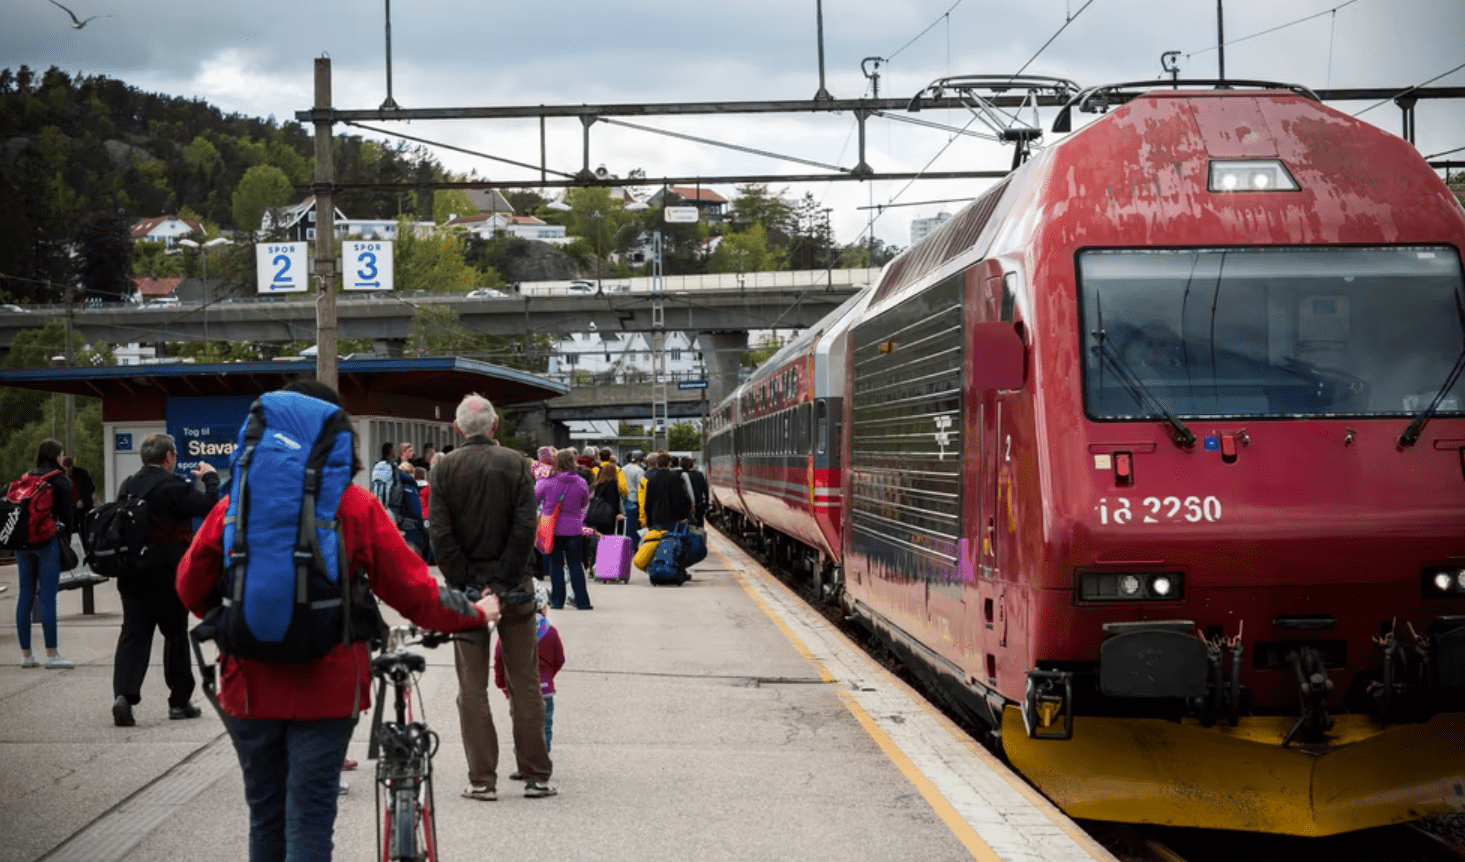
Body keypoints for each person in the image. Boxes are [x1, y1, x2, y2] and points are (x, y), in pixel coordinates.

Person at [176, 380, 494, 860]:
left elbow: (189, 588)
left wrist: (251, 614)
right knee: (309, 818)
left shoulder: (234, 505)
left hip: (248, 682)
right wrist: (473, 613)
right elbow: (411, 592)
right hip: (328, 685)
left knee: (265, 818)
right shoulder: (356, 505)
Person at [430, 393, 557, 801]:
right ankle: (536, 773)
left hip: (467, 597)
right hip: (515, 591)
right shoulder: (516, 464)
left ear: (457, 429)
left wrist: (471, 584)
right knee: (525, 683)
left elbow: (441, 534)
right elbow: (525, 528)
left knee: (472, 688)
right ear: (494, 426)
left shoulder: (444, 469)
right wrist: (501, 584)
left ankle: (482, 780)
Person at [110, 434, 220, 726]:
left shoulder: (129, 485)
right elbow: (209, 507)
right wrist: (210, 478)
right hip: (168, 575)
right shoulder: (173, 487)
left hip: (132, 574)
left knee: (134, 635)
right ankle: (179, 703)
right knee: (175, 635)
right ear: (169, 456)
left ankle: (124, 696)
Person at [15, 439, 74, 669]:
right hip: (46, 543)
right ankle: (52, 654)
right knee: (48, 598)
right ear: (57, 456)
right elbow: (67, 517)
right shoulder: (59, 480)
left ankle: (27, 655)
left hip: (22, 544)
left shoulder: (26, 477)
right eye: (61, 455)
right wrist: (65, 544)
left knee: (25, 596)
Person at [493, 583, 564, 755]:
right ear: (543, 607)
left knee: (521, 725)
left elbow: (500, 660)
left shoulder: (509, 632)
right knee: (544, 726)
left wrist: (503, 684)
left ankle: (523, 759)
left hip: (519, 690)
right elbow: (559, 659)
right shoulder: (551, 632)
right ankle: (542, 759)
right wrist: (547, 676)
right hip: (545, 689)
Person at [537, 449, 592, 611]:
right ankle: (582, 601)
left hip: (553, 529)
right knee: (576, 564)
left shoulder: (547, 481)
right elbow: (585, 502)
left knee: (556, 565)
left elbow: (534, 497)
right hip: (574, 528)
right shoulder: (581, 482)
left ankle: (557, 601)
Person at [641, 451, 690, 532]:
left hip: (656, 518)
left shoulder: (651, 480)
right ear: (669, 464)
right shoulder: (676, 478)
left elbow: (648, 501)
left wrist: (649, 521)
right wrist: (683, 516)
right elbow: (679, 499)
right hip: (673, 518)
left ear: (657, 464)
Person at [62, 455, 95, 550]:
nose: (68, 471)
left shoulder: (82, 473)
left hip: (84, 507)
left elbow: (90, 488)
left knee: (86, 531)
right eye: (66, 468)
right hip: (70, 509)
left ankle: (87, 550)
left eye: (69, 468)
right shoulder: (61, 477)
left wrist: (83, 500)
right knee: (72, 531)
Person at [621, 450, 645, 550]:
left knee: (628, 525)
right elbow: (641, 487)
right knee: (635, 525)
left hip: (625, 499)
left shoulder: (623, 469)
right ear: (640, 459)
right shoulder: (639, 470)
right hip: (635, 499)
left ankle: (627, 545)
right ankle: (634, 546)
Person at [682, 457, 710, 528]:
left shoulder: (682, 475)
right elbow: (705, 490)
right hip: (699, 505)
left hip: (686, 507)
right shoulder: (699, 475)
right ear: (692, 465)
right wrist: (706, 504)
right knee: (699, 526)